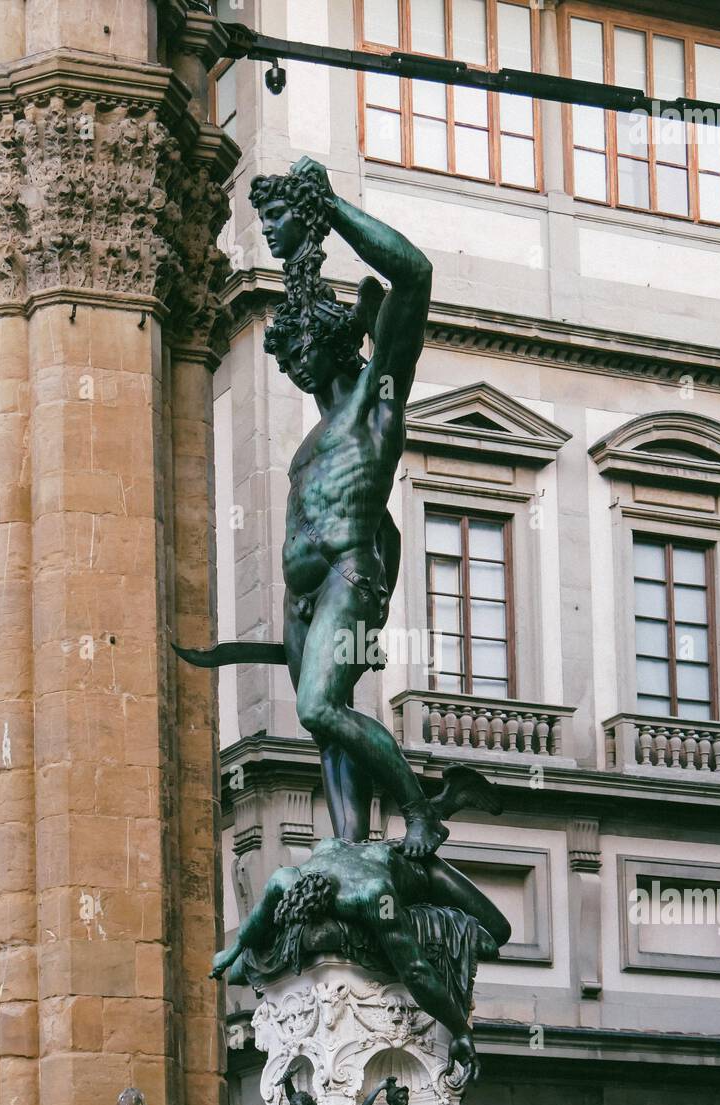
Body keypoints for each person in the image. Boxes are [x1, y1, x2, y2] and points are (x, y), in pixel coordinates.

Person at [250, 156, 447, 858]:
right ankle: (349, 844)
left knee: (320, 705)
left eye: (298, 353)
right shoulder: (310, 441)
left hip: (343, 578)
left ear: (329, 345)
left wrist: (329, 209)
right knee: (325, 726)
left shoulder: (376, 405)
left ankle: (421, 813)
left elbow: (414, 275)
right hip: (304, 597)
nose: (292, 367)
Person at [211, 836, 512, 1082]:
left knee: (496, 933)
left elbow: (415, 969)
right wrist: (230, 955)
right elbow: (254, 927)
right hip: (360, 854)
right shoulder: (284, 880)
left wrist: (460, 1030)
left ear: (331, 911)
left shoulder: (373, 894)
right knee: (248, 965)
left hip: (423, 872)